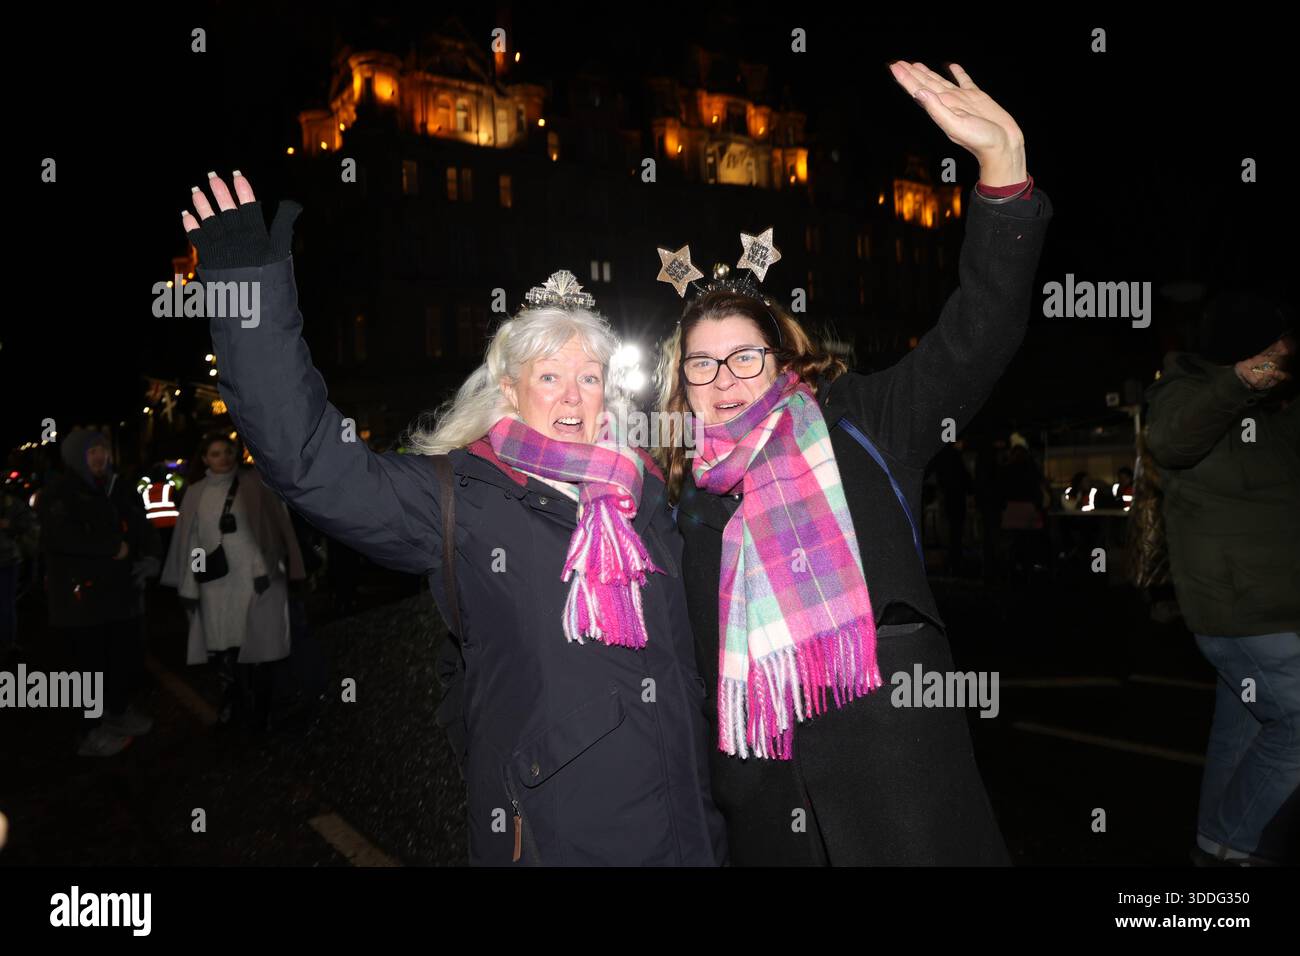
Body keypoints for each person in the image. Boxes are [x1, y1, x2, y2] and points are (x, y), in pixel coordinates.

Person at [175, 172, 726, 866]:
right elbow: (308, 457)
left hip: (687, 830)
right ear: (508, 390)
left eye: (589, 376)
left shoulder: (644, 495)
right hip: (561, 840)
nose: (573, 394)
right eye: (549, 375)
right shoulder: (461, 495)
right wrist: (247, 288)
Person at [655, 60, 1052, 864]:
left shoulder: (864, 423)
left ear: (784, 360)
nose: (725, 380)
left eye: (745, 358)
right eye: (703, 363)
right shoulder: (675, 496)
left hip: (901, 794)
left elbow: (979, 332)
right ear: (680, 383)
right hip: (769, 816)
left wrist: (1003, 173)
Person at [1145, 292, 1298, 866]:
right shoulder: (1186, 385)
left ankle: (1214, 847)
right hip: (1240, 612)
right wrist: (1247, 378)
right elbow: (1170, 440)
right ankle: (1234, 844)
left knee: (1242, 730)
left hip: (1274, 608)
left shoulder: (1285, 409)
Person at [161, 434, 305, 730]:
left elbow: (267, 532)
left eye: (227, 451)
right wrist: (193, 582)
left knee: (261, 645)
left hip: (253, 580)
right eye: (215, 453)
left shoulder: (254, 485)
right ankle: (235, 706)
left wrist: (263, 568)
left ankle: (261, 710)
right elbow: (193, 541)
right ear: (204, 459)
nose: (223, 458)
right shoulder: (195, 492)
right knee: (227, 649)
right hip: (216, 584)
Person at [38, 428, 161, 756]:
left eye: (102, 449)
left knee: (121, 657)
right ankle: (88, 731)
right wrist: (112, 548)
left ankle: (118, 711)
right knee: (85, 666)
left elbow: (143, 526)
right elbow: (59, 537)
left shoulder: (118, 487)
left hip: (120, 596)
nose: (99, 456)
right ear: (76, 456)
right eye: (91, 451)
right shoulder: (60, 493)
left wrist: (151, 557)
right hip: (79, 601)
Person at [0, 474, 38, 664]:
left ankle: (9, 643)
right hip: (9, 558)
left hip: (8, 560)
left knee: (7, 604)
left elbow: (27, 523)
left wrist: (10, 525)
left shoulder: (10, 503)